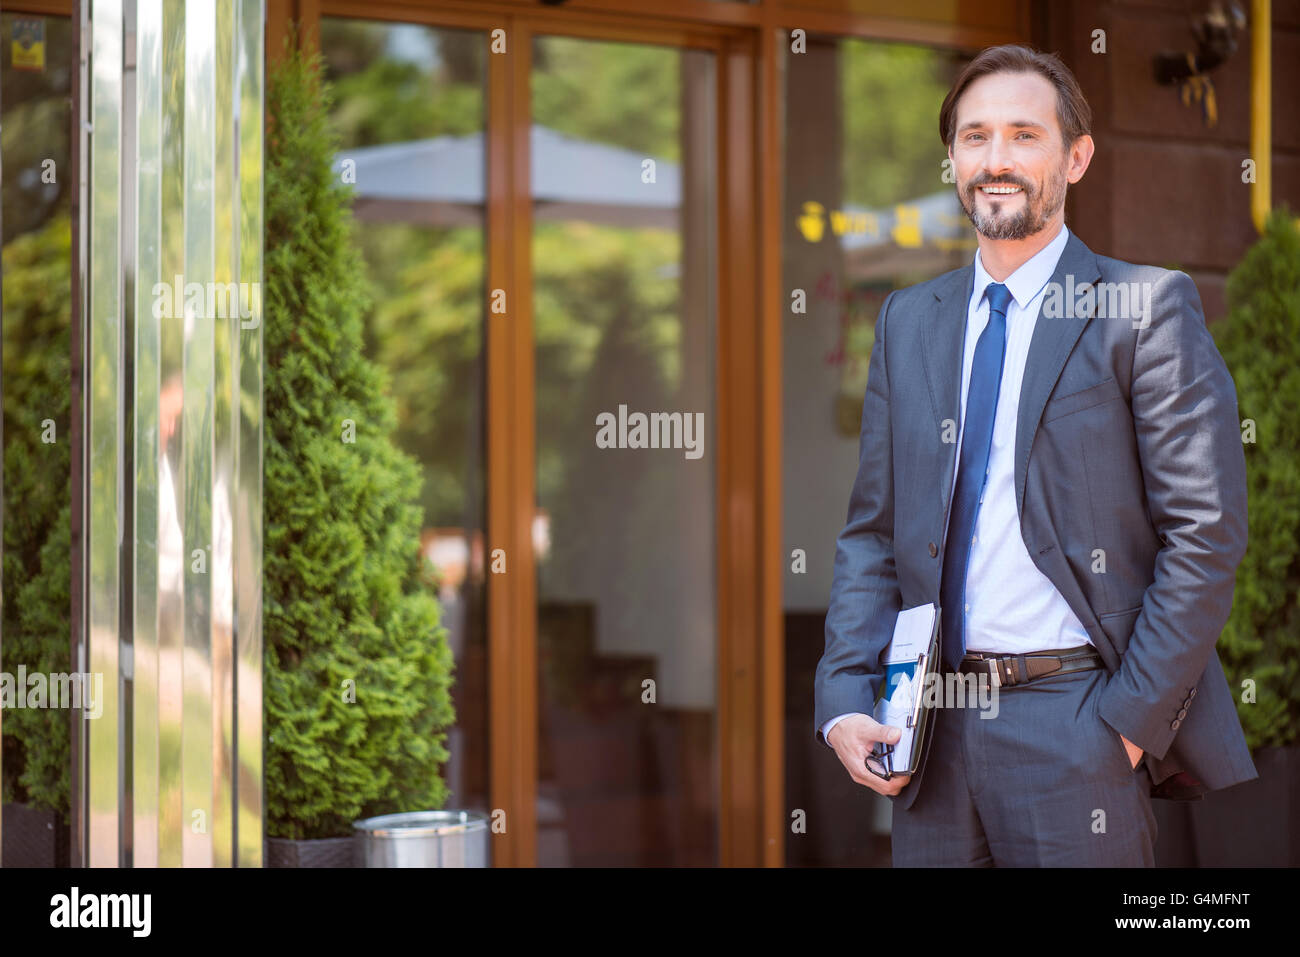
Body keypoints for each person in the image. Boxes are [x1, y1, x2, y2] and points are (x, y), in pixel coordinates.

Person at [813, 43, 1257, 867]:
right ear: (951, 161)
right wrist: (844, 697)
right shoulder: (908, 323)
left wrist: (1126, 725)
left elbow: (1205, 534)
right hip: (932, 731)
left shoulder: (1144, 309)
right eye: (975, 137)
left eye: (1024, 135)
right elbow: (873, 531)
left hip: (1077, 722)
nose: (996, 159)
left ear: (1075, 156)